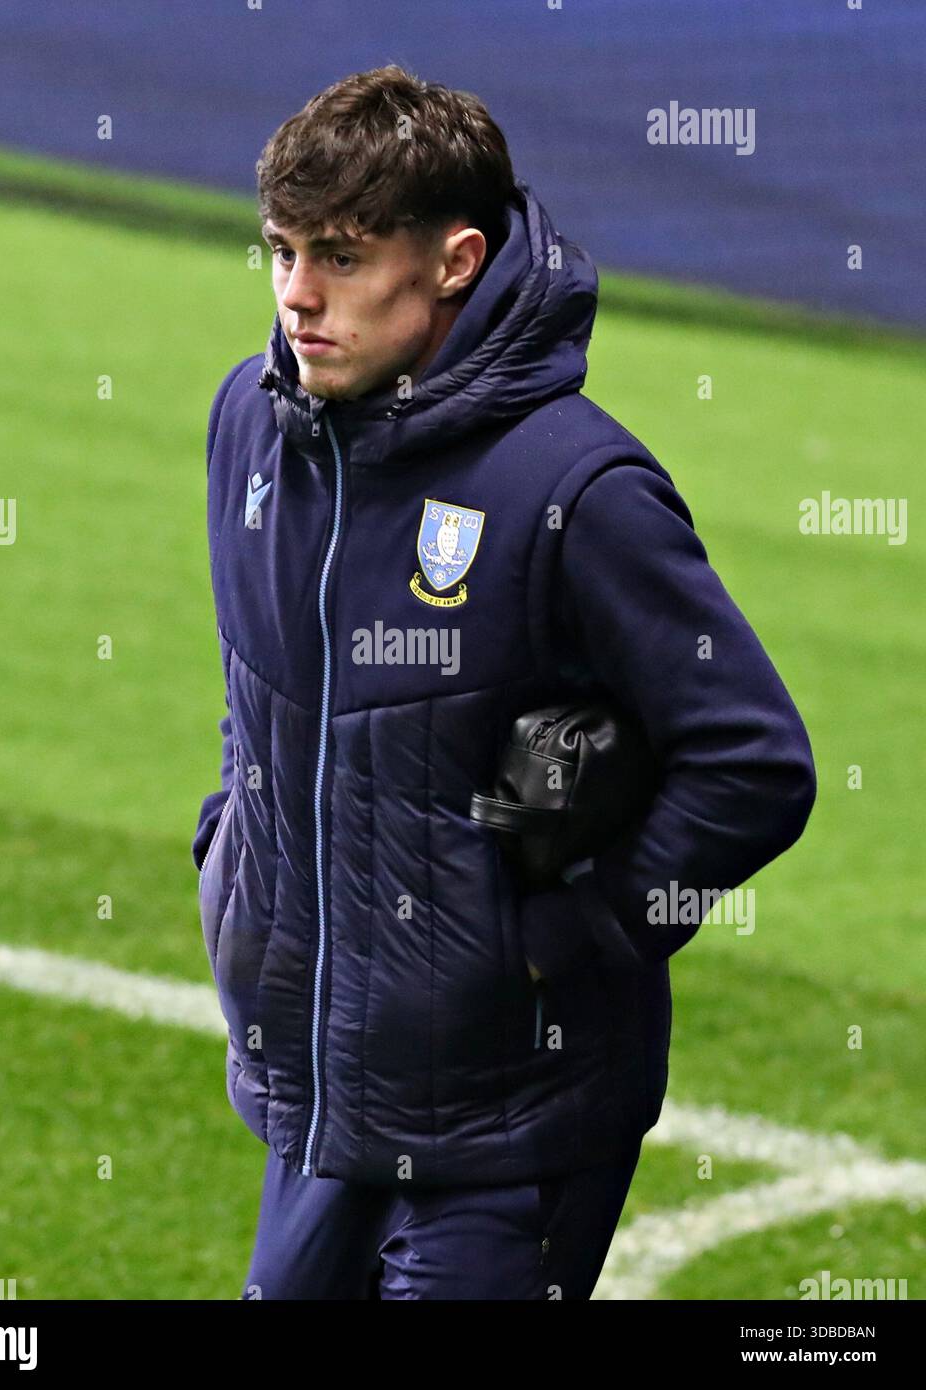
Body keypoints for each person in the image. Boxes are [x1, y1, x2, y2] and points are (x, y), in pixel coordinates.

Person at [193, 64, 816, 1300]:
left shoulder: (574, 491)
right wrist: (232, 859)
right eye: (278, 251)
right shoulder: (255, 426)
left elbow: (751, 764)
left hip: (509, 1126)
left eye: (340, 257)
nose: (298, 297)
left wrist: (568, 939)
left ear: (456, 261)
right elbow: (260, 690)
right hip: (323, 1093)